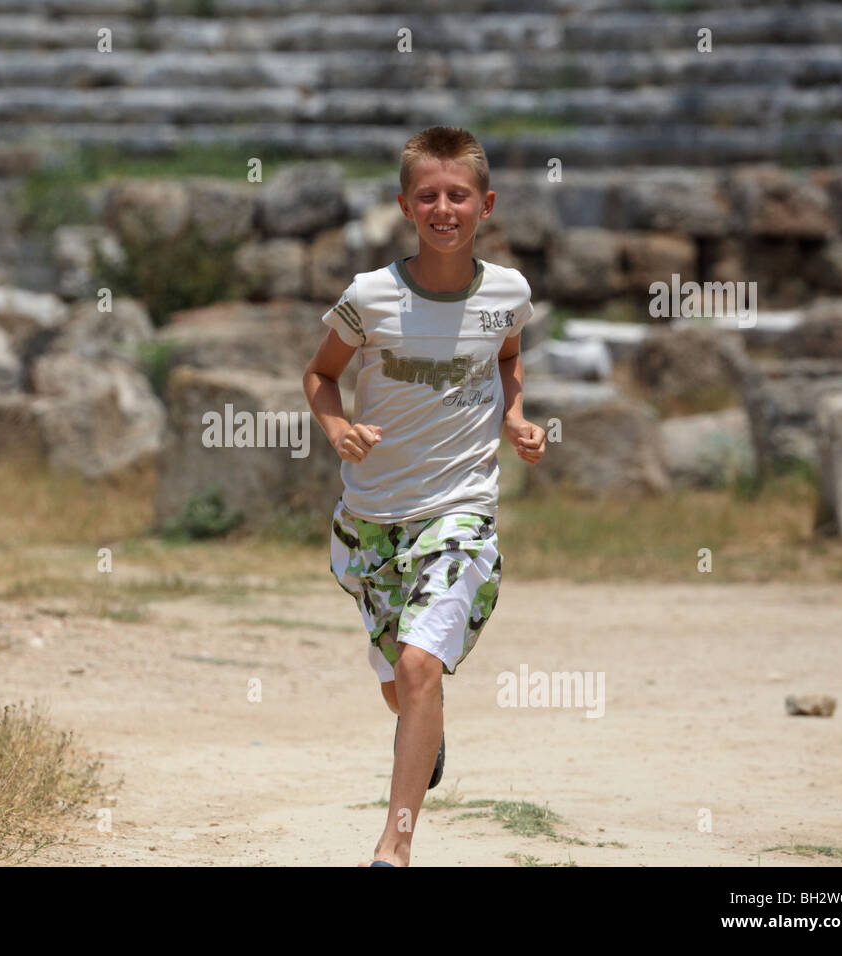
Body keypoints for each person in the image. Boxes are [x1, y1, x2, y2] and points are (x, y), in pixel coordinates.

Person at [301, 125, 546, 867]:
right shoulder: (369, 298)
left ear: (486, 205)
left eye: (459, 195)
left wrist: (513, 417)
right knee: (404, 690)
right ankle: (425, 735)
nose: (445, 208)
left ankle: (392, 849)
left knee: (417, 671)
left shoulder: (508, 293)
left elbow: (507, 355)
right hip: (369, 528)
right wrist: (336, 425)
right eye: (429, 195)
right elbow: (320, 375)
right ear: (407, 206)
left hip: (460, 512)